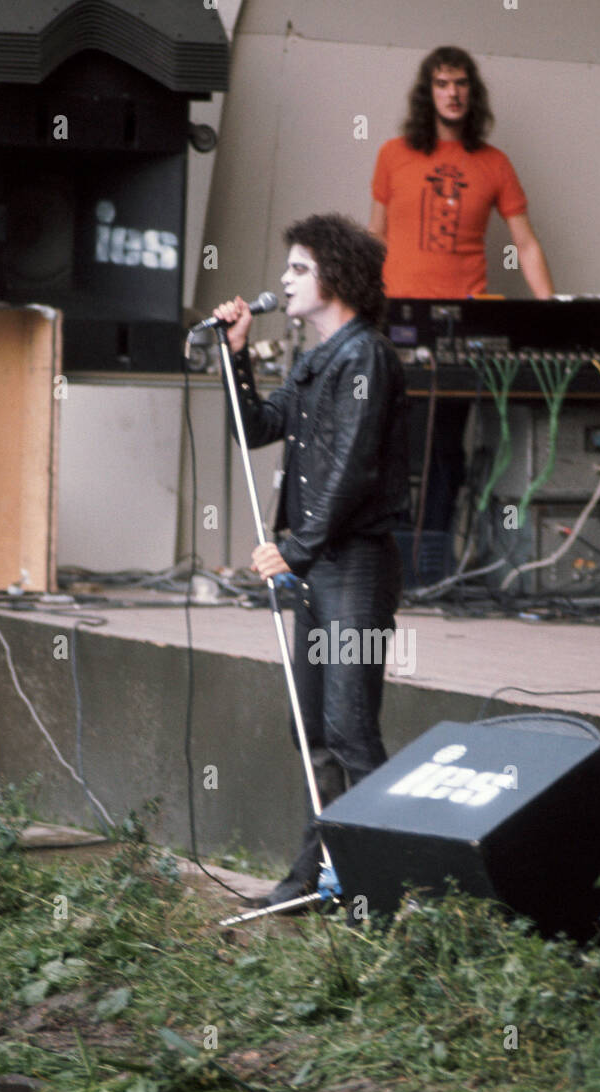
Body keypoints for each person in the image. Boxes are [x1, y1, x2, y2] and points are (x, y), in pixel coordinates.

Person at [212, 214, 409, 910]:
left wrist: (292, 548)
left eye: (298, 268)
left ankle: (383, 890)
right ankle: (317, 877)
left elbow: (352, 473)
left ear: (336, 276)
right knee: (317, 728)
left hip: (351, 564)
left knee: (353, 728)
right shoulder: (318, 359)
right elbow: (258, 426)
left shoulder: (369, 360)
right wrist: (236, 354)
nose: (284, 281)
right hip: (320, 564)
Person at [369, 46, 553, 534]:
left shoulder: (494, 163)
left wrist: (550, 313)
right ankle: (391, 554)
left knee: (445, 442)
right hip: (397, 316)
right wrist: (359, 307)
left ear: (473, 92)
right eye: (442, 83)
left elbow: (526, 244)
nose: (453, 93)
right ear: (427, 93)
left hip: (461, 321)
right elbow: (375, 238)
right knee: (388, 439)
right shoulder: (392, 154)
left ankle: (433, 553)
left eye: (461, 83)